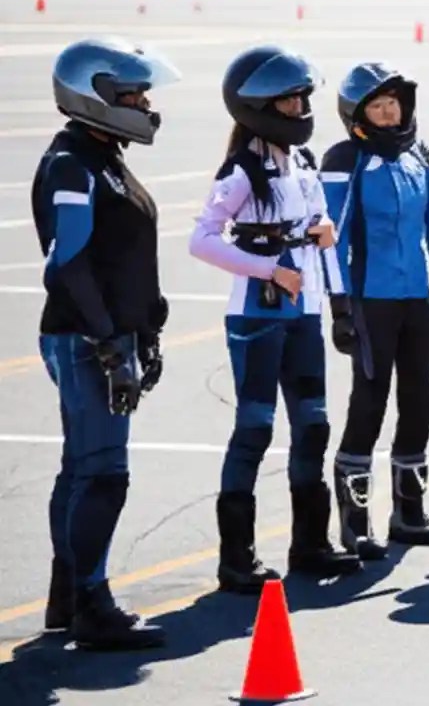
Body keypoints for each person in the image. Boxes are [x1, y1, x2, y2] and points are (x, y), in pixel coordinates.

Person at [190, 45, 360, 594]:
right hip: (257, 315)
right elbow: (203, 240)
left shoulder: (303, 163)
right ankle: (236, 559)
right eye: (290, 101)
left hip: (304, 312)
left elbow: (320, 227)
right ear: (261, 106)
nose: (300, 108)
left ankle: (309, 544)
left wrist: (338, 298)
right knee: (255, 429)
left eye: (303, 98)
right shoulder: (241, 172)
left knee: (314, 424)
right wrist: (268, 268)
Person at [33, 36, 180, 650]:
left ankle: (68, 593)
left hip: (104, 336)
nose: (144, 102)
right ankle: (92, 602)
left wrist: (146, 330)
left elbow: (122, 260)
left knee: (81, 467)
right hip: (83, 338)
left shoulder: (104, 158)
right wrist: (109, 344)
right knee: (103, 473)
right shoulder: (72, 163)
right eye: (132, 93)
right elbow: (67, 263)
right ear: (92, 95)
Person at [318, 61, 429, 559]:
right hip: (370, 299)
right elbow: (331, 241)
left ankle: (409, 514)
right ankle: (354, 523)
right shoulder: (346, 159)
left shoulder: (419, 156)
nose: (389, 114)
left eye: (394, 104)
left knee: (419, 399)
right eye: (378, 106)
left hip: (415, 299)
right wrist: (340, 307)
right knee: (369, 400)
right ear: (357, 113)